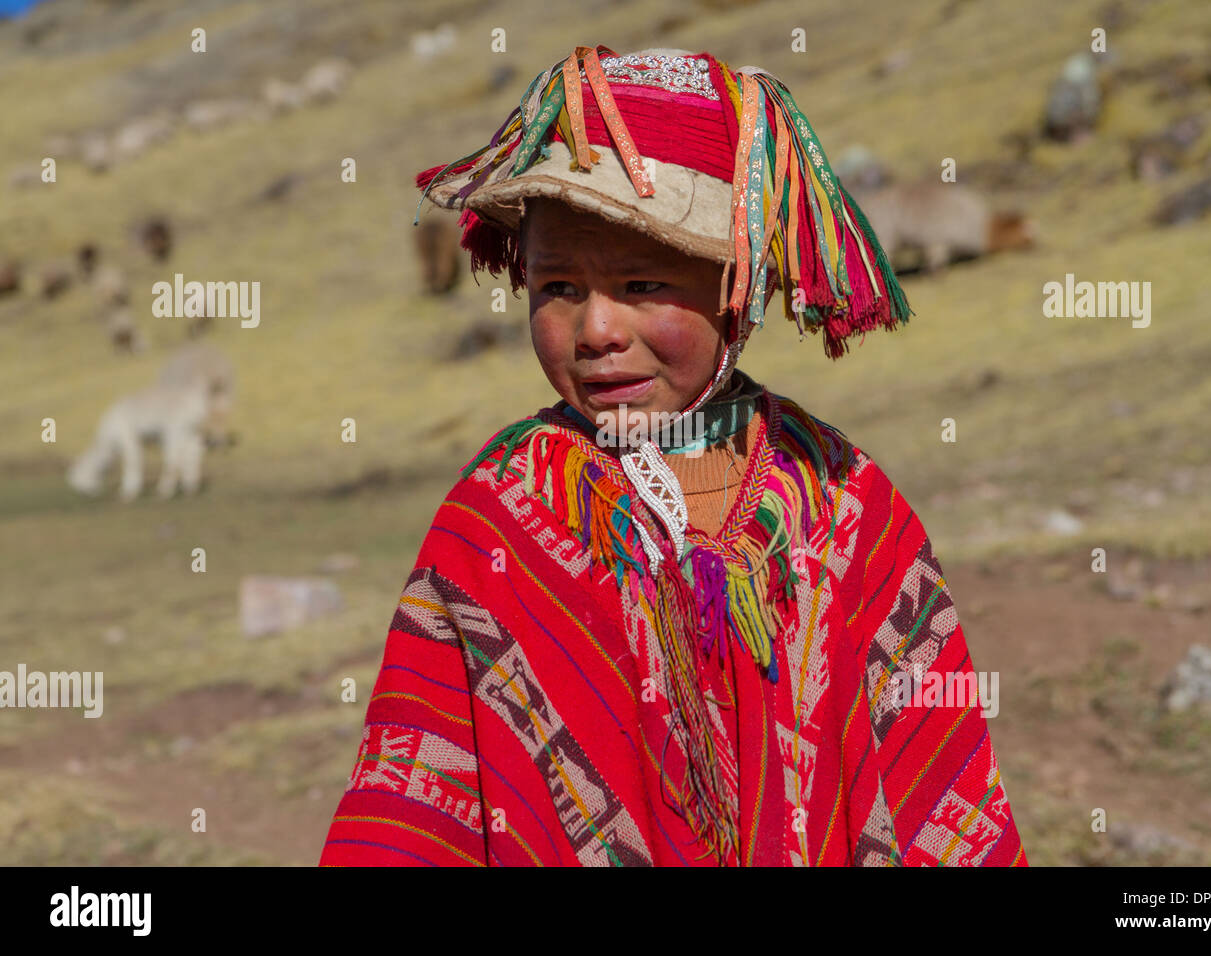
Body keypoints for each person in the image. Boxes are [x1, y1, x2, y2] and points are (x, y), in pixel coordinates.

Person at [319, 45, 1026, 866]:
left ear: (739, 290)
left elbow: (944, 799)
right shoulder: (496, 526)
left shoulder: (850, 511)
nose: (596, 331)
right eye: (558, 288)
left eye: (644, 285)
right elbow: (411, 809)